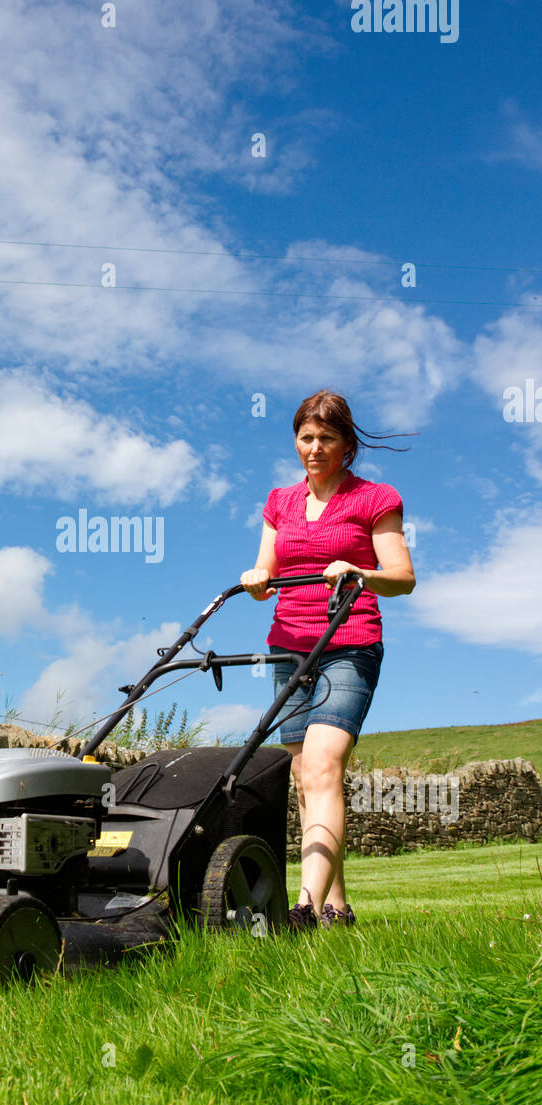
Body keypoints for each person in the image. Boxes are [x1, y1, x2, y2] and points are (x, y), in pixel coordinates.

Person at [241, 389, 415, 931]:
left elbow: (402, 578)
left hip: (350, 642)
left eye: (327, 438)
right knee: (303, 776)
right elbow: (266, 572)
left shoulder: (374, 498)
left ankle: (304, 909)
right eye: (306, 437)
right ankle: (338, 905)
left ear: (347, 445)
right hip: (288, 645)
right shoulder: (278, 501)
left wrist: (359, 571)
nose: (314, 448)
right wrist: (255, 581)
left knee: (322, 767)